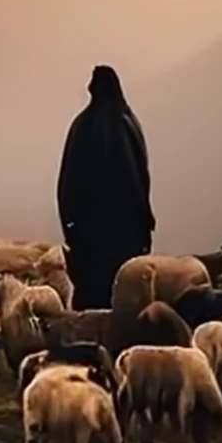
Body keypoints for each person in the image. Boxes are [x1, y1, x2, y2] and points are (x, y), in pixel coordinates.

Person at [56, 64, 156, 309]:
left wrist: (70, 223)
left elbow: (69, 180)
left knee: (93, 294)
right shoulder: (129, 124)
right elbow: (141, 176)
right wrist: (145, 220)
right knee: (124, 293)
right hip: (127, 230)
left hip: (91, 233)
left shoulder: (83, 126)